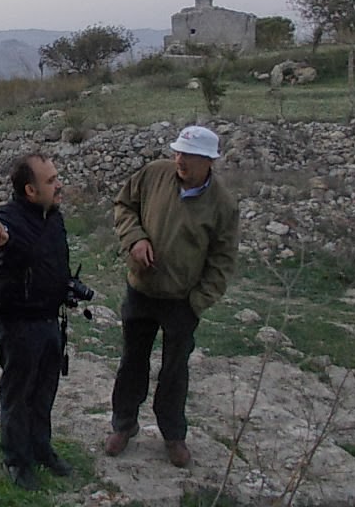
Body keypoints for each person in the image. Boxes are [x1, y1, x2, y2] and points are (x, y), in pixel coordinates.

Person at [105, 125, 239, 468]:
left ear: (208, 161)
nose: (180, 160)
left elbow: (223, 259)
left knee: (175, 370)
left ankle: (173, 435)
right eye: (178, 152)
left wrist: (198, 301)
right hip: (141, 291)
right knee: (132, 361)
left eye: (189, 156)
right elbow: (124, 205)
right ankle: (123, 425)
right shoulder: (153, 174)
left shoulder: (222, 203)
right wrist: (135, 239)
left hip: (182, 301)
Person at [0, 152, 73, 491]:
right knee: (18, 395)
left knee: (45, 390)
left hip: (49, 319)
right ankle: (18, 461)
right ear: (30, 190)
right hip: (18, 324)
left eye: (56, 177)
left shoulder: (53, 216)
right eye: (51, 181)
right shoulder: (9, 219)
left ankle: (41, 448)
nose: (58, 185)